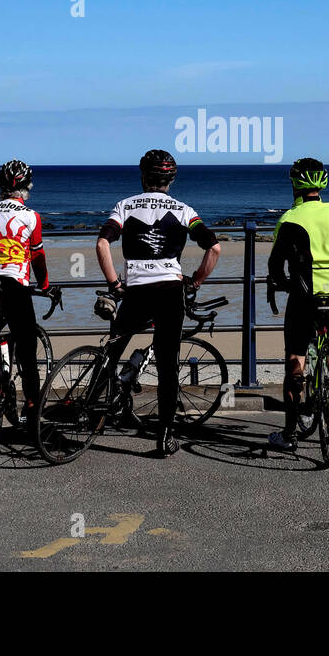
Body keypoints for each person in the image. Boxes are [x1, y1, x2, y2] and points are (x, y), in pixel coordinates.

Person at [96, 149, 221, 457]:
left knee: (112, 350)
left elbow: (101, 243)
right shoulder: (184, 210)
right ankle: (164, 438)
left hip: (136, 291)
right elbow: (214, 248)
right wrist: (195, 281)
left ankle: (92, 412)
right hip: (169, 292)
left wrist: (115, 283)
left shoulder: (125, 206)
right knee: (168, 367)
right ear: (171, 179)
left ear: (142, 176)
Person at [266, 158, 329, 451]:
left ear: (295, 183)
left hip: (302, 300)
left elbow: (274, 266)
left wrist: (284, 283)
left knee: (295, 361)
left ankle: (290, 434)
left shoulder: (290, 219)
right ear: (323, 183)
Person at [0, 160, 55, 423]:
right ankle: (32, 405)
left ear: (1, 186)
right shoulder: (31, 216)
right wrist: (43, 283)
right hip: (15, 286)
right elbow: (38, 256)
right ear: (28, 186)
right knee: (28, 346)